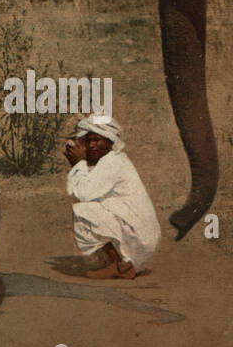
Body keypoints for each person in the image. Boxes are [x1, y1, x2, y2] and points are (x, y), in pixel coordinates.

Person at [63, 115, 161, 279]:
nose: (91, 145)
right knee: (89, 208)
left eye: (96, 140)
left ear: (109, 142)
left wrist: (78, 164)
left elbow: (84, 193)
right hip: (140, 239)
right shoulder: (110, 161)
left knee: (83, 211)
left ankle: (121, 266)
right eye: (88, 141)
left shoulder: (113, 163)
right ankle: (121, 263)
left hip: (140, 239)